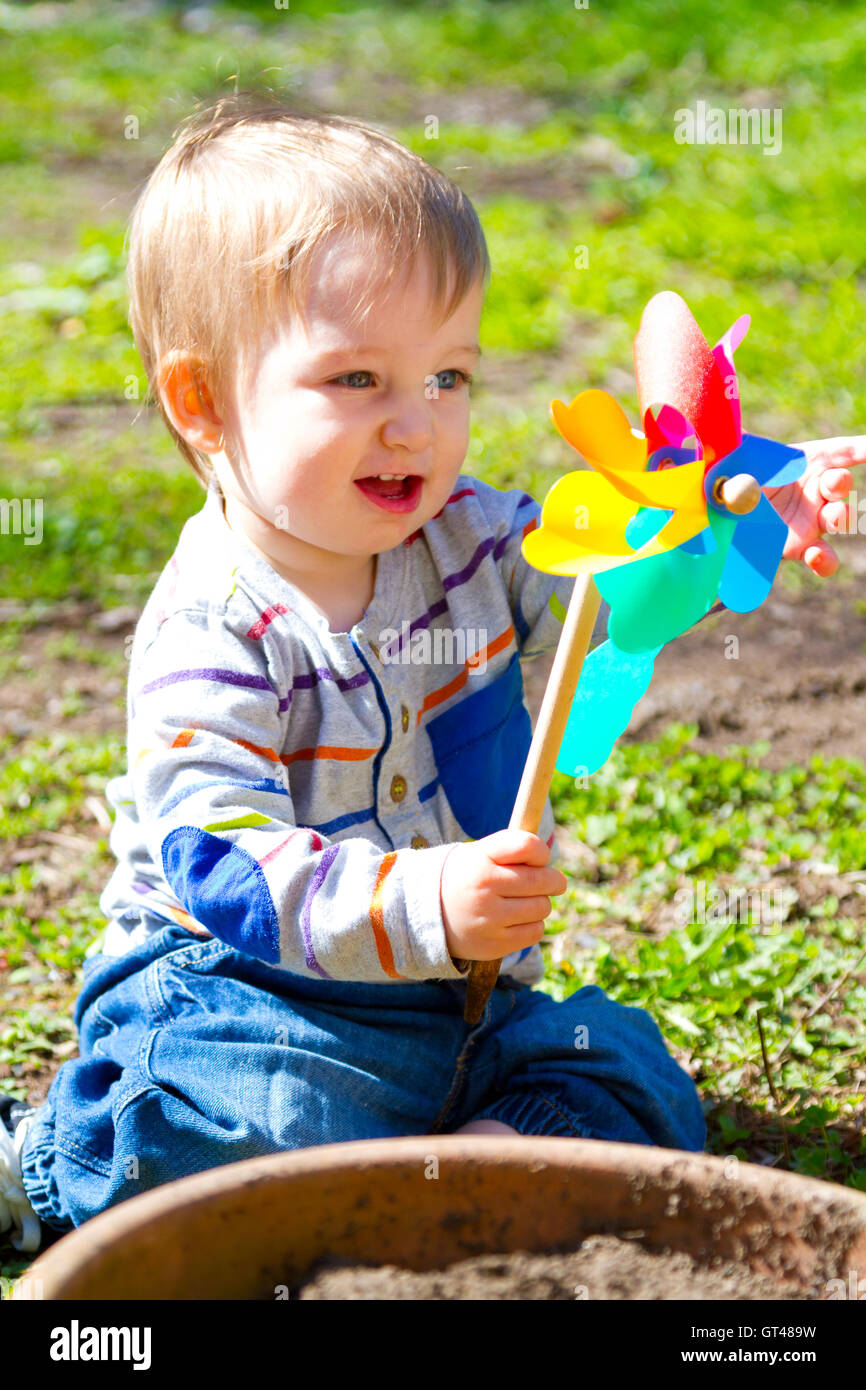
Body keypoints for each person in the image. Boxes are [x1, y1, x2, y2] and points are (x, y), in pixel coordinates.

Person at [1, 97, 860, 1253]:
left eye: (447, 378)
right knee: (248, 1118)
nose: (415, 426)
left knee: (629, 1075)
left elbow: (609, 584)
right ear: (201, 403)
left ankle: (474, 1171)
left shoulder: (468, 534)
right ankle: (52, 1162)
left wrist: (727, 512)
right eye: (356, 381)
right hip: (254, 995)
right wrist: (429, 902)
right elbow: (219, 864)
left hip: (462, 1004)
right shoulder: (215, 624)